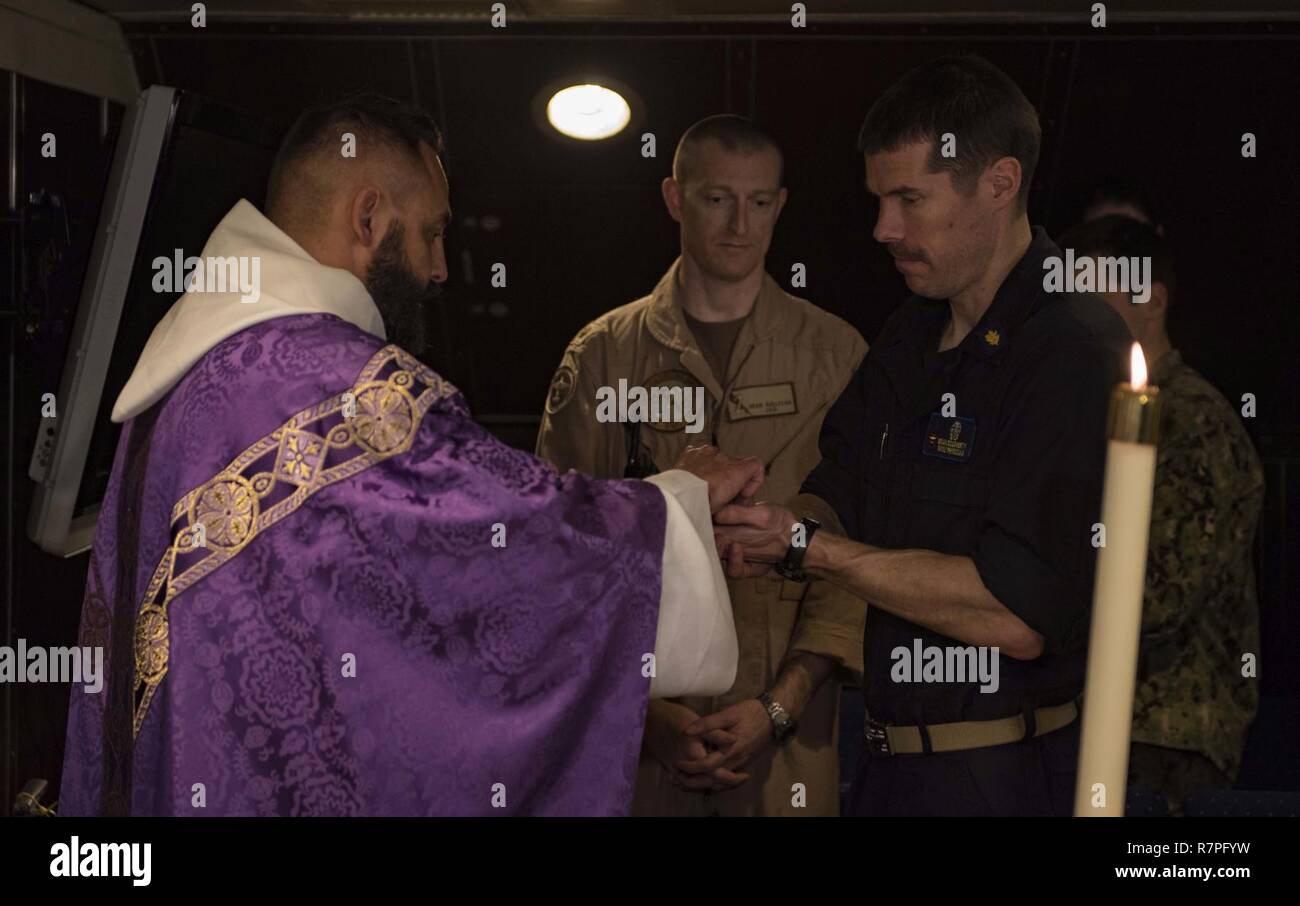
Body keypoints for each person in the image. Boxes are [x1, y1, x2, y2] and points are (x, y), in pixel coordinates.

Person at [59, 93, 760, 817]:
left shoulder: (200, 374)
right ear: (368, 218)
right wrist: (677, 508)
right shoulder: (334, 385)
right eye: (430, 233)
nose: (438, 269)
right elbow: (497, 542)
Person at [714, 55, 1132, 816]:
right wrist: (750, 515)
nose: (884, 229)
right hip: (887, 768)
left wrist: (810, 550)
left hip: (1008, 775)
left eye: (910, 198)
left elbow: (1019, 613)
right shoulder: (909, 333)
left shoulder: (1071, 345)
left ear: (1000, 184)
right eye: (879, 200)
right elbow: (838, 487)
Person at [536, 115, 867, 816]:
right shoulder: (602, 358)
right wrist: (645, 714)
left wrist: (781, 705)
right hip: (641, 743)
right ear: (674, 197)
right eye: (717, 199)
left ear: (781, 204)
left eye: (759, 201)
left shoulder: (837, 360)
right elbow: (556, 557)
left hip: (788, 747)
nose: (739, 224)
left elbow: (860, 556)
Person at [1058, 214, 1264, 815]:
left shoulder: (1192, 420)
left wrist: (1032, 601)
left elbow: (1163, 594)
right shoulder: (1096, 410)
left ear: (1150, 297)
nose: (1075, 318)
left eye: (1091, 297)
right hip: (1104, 723)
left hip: (1165, 734)